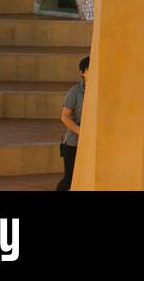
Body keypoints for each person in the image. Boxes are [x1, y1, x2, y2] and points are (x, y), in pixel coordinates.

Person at [57, 56, 88, 191]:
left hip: (92, 143)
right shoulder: (75, 92)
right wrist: (82, 133)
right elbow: (65, 117)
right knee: (70, 179)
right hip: (73, 143)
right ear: (82, 73)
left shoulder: (101, 92)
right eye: (89, 69)